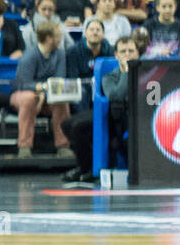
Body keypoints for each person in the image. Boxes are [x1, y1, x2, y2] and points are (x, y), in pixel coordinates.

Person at [61, 36, 139, 183]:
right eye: (123, 51)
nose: (127, 55)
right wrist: (126, 73)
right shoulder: (110, 76)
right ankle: (87, 166)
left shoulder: (147, 73)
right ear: (116, 55)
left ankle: (86, 168)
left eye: (131, 51)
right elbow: (115, 96)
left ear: (137, 53)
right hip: (115, 115)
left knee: (78, 127)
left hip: (139, 116)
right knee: (67, 124)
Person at [10, 20, 72, 158]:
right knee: (30, 98)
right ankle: (24, 147)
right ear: (49, 38)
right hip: (21, 95)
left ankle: (63, 146)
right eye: (58, 36)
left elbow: (59, 80)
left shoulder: (60, 54)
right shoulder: (29, 56)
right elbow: (23, 83)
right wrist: (42, 89)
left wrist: (44, 91)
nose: (61, 39)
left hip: (48, 96)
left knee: (61, 100)